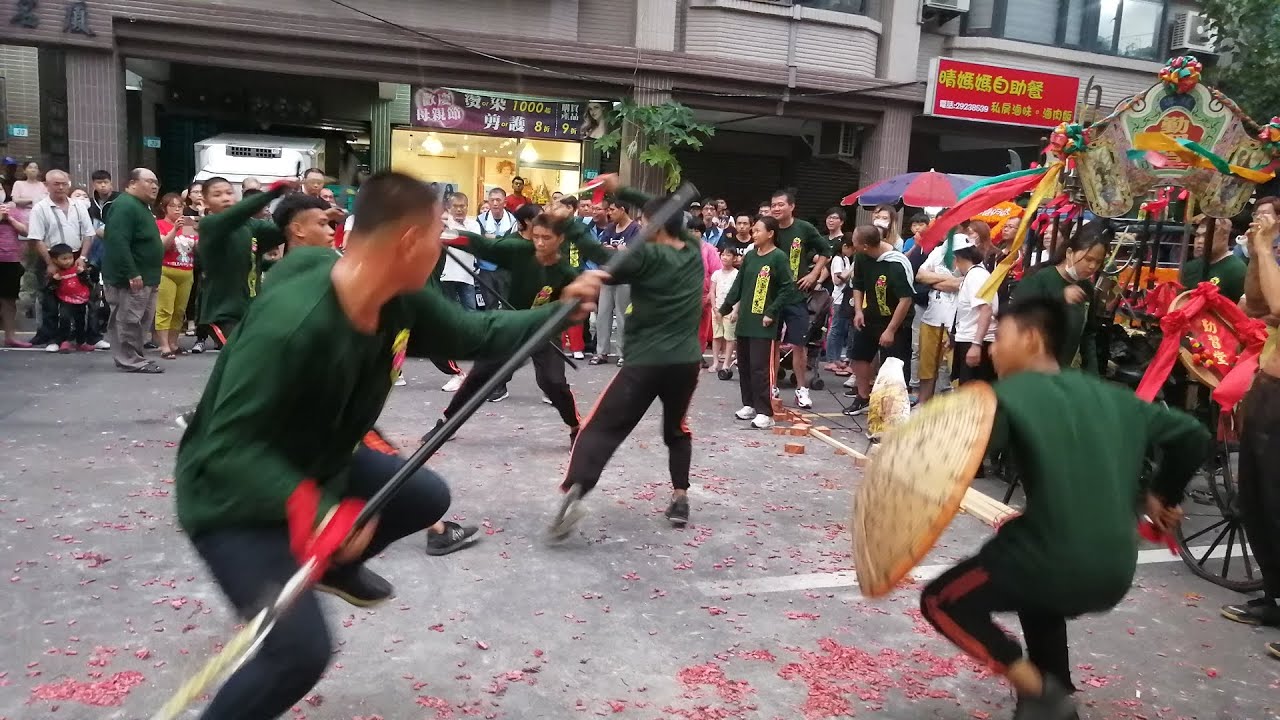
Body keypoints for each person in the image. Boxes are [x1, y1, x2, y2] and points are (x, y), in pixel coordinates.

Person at [173, 171, 603, 720]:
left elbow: (473, 333)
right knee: (298, 655)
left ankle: (333, 567)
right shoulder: (292, 324)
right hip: (232, 496)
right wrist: (320, 512)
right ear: (408, 242)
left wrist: (556, 312)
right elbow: (226, 448)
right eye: (436, 237)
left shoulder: (398, 297)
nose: (441, 249)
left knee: (423, 496)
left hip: (319, 463)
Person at [919, 294, 1209, 720]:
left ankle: (1040, 692)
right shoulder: (1113, 396)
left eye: (1001, 337)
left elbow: (958, 454)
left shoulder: (1010, 395)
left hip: (1054, 560)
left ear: (1032, 339)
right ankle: (1055, 686)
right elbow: (1194, 437)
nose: (993, 350)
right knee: (1035, 588)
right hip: (1115, 568)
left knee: (941, 600)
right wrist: (1163, 496)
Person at [552, 188, 706, 534]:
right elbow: (666, 210)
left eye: (644, 222)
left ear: (656, 226)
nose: (640, 226)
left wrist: (571, 223)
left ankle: (577, 488)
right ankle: (680, 497)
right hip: (686, 363)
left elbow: (597, 254)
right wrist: (621, 190)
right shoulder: (693, 250)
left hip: (646, 363)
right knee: (677, 428)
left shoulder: (646, 256)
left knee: (601, 427)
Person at [438, 206, 583, 442]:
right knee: (480, 374)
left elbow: (572, 308)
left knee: (553, 382)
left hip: (543, 329)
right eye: (536, 236)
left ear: (560, 239)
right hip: (511, 324)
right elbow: (484, 245)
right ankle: (447, 423)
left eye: (546, 238)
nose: (539, 243)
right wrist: (446, 235)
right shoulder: (519, 251)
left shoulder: (566, 272)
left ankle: (576, 428)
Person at [1226, 197, 1280, 656]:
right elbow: (1256, 303)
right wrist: (1258, 249)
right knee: (1257, 500)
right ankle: (1274, 598)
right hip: (1267, 386)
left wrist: (1263, 248)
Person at [718, 215, 808, 430]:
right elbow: (739, 285)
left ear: (770, 234)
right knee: (745, 365)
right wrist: (724, 308)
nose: (754, 234)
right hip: (745, 320)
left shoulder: (778, 257)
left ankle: (765, 412)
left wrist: (771, 311)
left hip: (764, 323)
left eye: (758, 230)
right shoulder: (750, 256)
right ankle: (749, 404)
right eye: (754, 230)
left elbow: (787, 288)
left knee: (761, 368)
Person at [194, 177, 304, 348]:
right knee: (241, 354)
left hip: (250, 309)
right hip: (223, 314)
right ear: (206, 202)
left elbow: (284, 233)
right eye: (217, 194)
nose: (225, 198)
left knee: (252, 358)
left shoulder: (251, 226)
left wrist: (303, 207)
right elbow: (239, 212)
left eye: (229, 193)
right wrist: (274, 192)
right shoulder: (209, 225)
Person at [1012, 224, 1106, 374]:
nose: (1092, 266)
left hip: (1064, 373)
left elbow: (1088, 336)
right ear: (1069, 253)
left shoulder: (1086, 287)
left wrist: (1093, 375)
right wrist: (1059, 300)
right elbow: (1017, 322)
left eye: (1098, 262)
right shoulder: (1039, 279)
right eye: (1088, 259)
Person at [770, 189, 830, 409]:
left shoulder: (804, 228)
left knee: (799, 344)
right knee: (773, 344)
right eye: (773, 205)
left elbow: (826, 251)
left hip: (797, 296)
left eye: (780, 204)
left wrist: (814, 274)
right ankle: (771, 386)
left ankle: (801, 390)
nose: (776, 208)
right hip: (773, 296)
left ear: (792, 206)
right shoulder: (769, 228)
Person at [845, 225, 915, 414]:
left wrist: (890, 330)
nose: (852, 245)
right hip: (870, 315)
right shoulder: (861, 257)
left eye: (855, 242)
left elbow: (906, 299)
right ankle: (863, 397)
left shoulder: (897, 263)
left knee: (893, 365)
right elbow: (858, 284)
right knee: (859, 357)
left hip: (896, 320)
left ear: (865, 246)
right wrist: (858, 310)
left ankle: (893, 407)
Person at [102, 168, 164, 373]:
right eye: (149, 181)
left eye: (156, 182)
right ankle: (130, 360)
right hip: (130, 278)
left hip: (147, 277)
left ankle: (136, 357)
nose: (154, 186)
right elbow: (118, 241)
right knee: (127, 319)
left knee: (139, 320)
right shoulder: (125, 205)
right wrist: (131, 272)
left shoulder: (141, 206)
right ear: (132, 184)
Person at [913, 234, 964, 404]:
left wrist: (934, 281)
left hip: (956, 323)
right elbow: (920, 276)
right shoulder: (938, 251)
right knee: (927, 367)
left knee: (954, 370)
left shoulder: (967, 250)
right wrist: (949, 280)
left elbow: (961, 283)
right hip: (931, 318)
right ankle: (923, 403)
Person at [591, 198, 639, 366]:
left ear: (622, 209)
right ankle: (601, 352)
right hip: (607, 277)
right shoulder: (610, 228)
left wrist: (618, 250)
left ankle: (623, 353)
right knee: (602, 316)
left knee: (622, 317)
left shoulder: (635, 229)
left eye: (612, 209)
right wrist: (617, 250)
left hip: (625, 279)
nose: (609, 213)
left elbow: (632, 252)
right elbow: (602, 249)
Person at [154, 193, 198, 359]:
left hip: (186, 270)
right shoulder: (159, 224)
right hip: (166, 270)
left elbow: (197, 248)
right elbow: (162, 246)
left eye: (180, 206)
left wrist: (202, 232)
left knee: (179, 311)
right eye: (172, 206)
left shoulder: (189, 225)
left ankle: (173, 343)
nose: (177, 209)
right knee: (165, 309)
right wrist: (174, 229)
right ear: (164, 208)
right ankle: (164, 345)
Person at [951, 237, 998, 384]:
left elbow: (986, 309)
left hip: (976, 340)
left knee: (974, 391)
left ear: (956, 258)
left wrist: (976, 344)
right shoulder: (972, 275)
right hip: (967, 338)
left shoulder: (977, 276)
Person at [1181, 216, 1247, 303]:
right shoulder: (1190, 267)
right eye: (1197, 235)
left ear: (1224, 237)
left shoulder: (1236, 270)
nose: (1199, 241)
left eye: (1206, 235)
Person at [45, 243, 94, 352]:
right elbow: (49, 289)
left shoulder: (77, 269)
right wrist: (55, 281)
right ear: (55, 260)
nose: (68, 261)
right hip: (65, 300)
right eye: (64, 259)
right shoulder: (56, 272)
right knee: (65, 319)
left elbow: (87, 282)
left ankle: (81, 342)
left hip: (81, 300)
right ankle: (64, 341)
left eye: (70, 258)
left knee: (81, 321)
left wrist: (82, 273)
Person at [0, 196, 31, 347]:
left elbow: (25, 231)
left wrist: (10, 219)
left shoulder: (13, 211)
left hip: (11, 260)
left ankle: (10, 336)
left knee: (9, 300)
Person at [824, 235, 856, 376]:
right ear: (845, 247)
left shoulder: (846, 259)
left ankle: (837, 358)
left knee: (842, 329)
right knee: (836, 328)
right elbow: (837, 280)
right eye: (851, 249)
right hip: (838, 297)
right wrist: (849, 272)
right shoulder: (837, 259)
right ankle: (832, 358)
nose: (852, 252)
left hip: (846, 298)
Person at [709, 245, 739, 375]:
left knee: (729, 338)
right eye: (723, 255)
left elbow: (739, 295)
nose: (725, 257)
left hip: (731, 310)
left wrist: (735, 311)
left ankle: (726, 363)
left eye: (728, 255)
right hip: (717, 309)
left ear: (734, 258)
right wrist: (714, 308)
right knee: (716, 336)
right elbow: (712, 291)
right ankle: (715, 362)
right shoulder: (716, 274)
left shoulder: (737, 274)